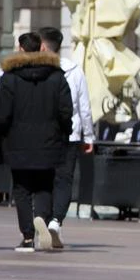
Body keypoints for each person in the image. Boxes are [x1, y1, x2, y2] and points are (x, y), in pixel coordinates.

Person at [0, 32, 73, 253]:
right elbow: (66, 110)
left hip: (17, 142)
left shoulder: (9, 78)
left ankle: (28, 236)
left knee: (21, 188)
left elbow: (2, 114)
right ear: (40, 49)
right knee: (44, 185)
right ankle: (41, 217)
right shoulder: (57, 76)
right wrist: (64, 132)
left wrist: (0, 135)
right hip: (49, 140)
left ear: (20, 49)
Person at [40, 27, 91, 249]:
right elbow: (84, 107)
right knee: (65, 179)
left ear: (43, 46)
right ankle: (55, 221)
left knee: (45, 177)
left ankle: (43, 218)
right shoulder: (75, 71)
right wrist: (88, 136)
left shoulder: (39, 71)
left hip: (46, 134)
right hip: (71, 133)